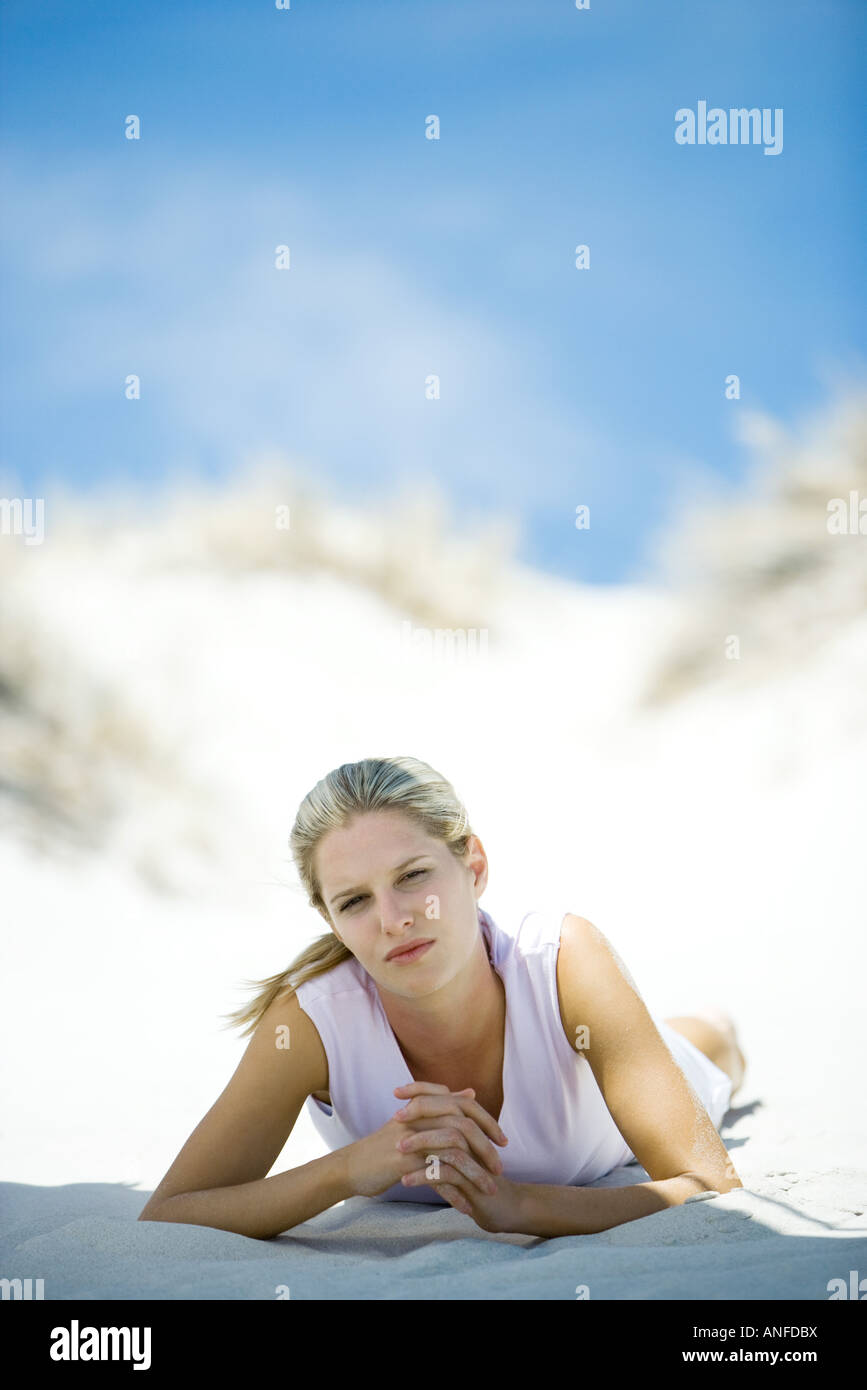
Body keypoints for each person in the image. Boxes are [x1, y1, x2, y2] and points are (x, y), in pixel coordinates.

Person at [138, 756, 746, 1240]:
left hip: (631, 1083)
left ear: (473, 865)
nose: (395, 920)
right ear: (329, 919)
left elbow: (708, 1183)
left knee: (708, 1047)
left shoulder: (562, 962)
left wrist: (520, 1206)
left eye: (412, 876)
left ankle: (708, 1030)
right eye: (354, 901)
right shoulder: (311, 1022)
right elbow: (171, 1213)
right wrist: (350, 1171)